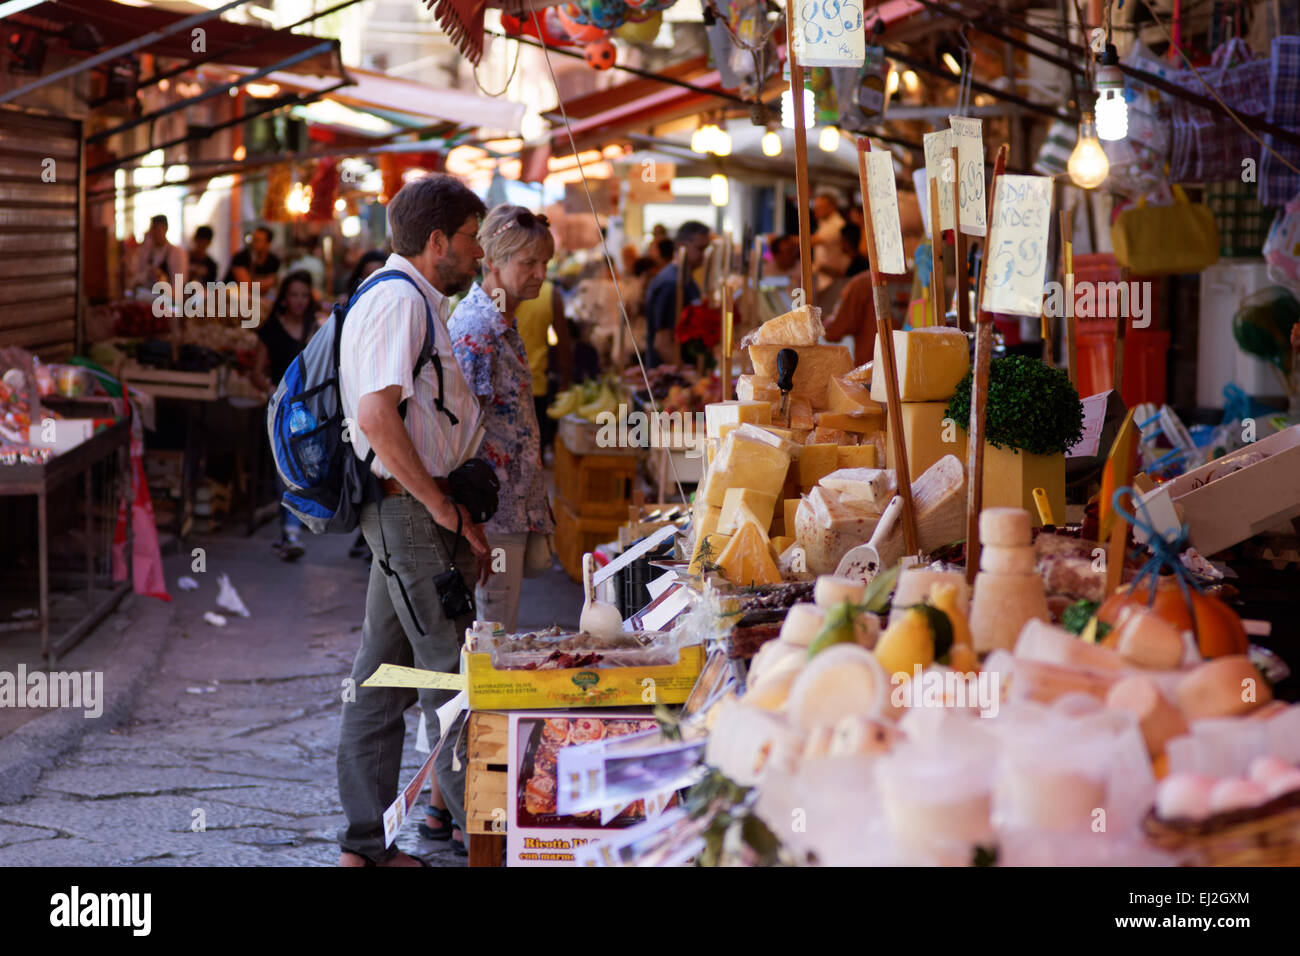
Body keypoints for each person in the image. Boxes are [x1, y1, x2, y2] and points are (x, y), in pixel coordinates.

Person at [336, 173, 489, 866]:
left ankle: (363, 848)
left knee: (381, 683)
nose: (479, 255)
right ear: (437, 242)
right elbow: (374, 415)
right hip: (409, 514)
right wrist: (438, 506)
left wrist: (453, 511)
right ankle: (492, 842)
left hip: (415, 514)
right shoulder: (400, 302)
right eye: (472, 242)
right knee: (453, 683)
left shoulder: (408, 298)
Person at [449, 204, 556, 634]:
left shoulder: (503, 323)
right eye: (528, 262)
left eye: (545, 263)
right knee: (492, 631)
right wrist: (467, 520)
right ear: (491, 260)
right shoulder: (479, 329)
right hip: (490, 513)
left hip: (512, 506)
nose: (540, 274)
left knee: (500, 623)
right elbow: (457, 432)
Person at [252, 270, 322, 561]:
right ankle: (292, 531)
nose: (298, 301)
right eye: (293, 294)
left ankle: (291, 526)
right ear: (284, 297)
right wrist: (273, 392)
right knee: (287, 469)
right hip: (279, 410)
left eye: (304, 295)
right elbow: (255, 372)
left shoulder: (315, 329)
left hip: (308, 411)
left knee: (304, 469)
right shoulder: (271, 330)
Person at [514, 272, 572, 454]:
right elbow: (563, 342)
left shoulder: (501, 290)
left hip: (508, 385)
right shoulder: (550, 293)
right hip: (536, 385)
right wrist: (565, 381)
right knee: (533, 450)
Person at [644, 220, 711, 367]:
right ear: (682, 246)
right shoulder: (671, 283)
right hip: (668, 375)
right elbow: (663, 342)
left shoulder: (687, 280)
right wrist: (684, 373)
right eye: (700, 249)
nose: (704, 255)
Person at [823, 267, 880, 365]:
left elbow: (833, 332)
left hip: (871, 369)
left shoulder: (861, 283)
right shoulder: (913, 277)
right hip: (909, 366)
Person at [130, 214, 187, 292]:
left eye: (156, 229)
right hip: (147, 296)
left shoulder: (177, 254)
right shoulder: (146, 252)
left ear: (165, 229)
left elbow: (179, 286)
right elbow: (135, 278)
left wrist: (162, 280)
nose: (153, 232)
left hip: (168, 299)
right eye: (152, 229)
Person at [811, 192, 850, 289]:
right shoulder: (824, 223)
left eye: (820, 207)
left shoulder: (837, 224)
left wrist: (788, 240)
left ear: (832, 207)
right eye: (816, 207)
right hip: (824, 277)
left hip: (834, 277)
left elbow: (813, 241)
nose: (816, 210)